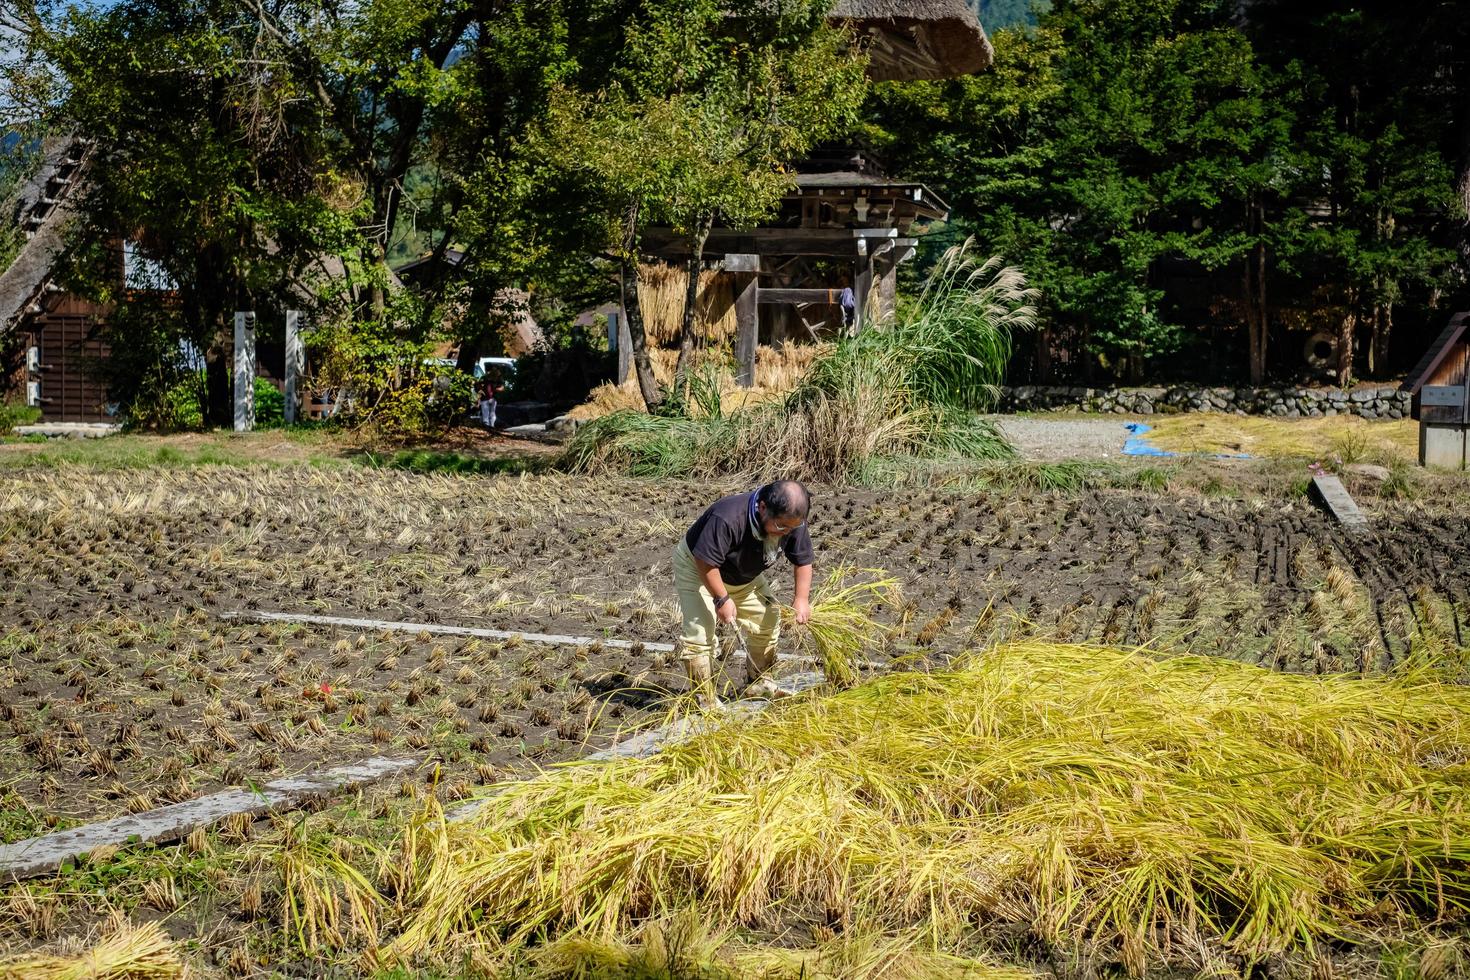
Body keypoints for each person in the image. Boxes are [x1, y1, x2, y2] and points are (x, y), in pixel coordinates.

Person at [674, 480, 813, 706]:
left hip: (743, 575)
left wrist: (801, 599)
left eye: (792, 528)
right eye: (781, 527)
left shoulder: (791, 520)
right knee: (699, 634)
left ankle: (758, 682)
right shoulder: (727, 518)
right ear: (762, 508)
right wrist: (722, 598)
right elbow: (706, 562)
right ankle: (703, 699)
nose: (786, 533)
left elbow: (803, 560)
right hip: (699, 570)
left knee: (768, 619)